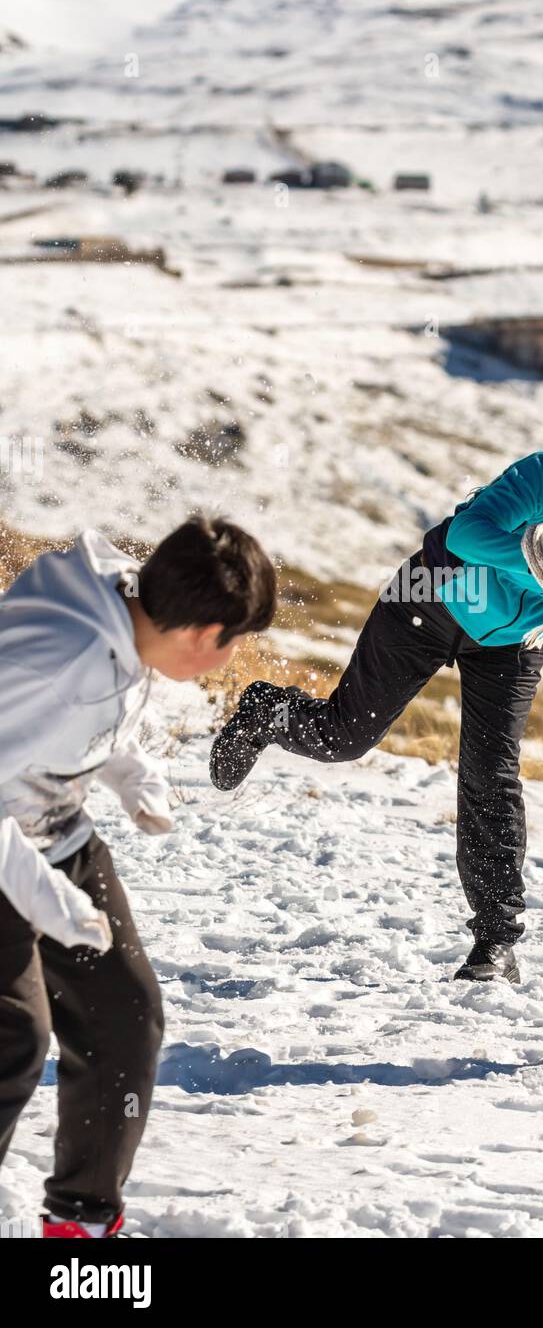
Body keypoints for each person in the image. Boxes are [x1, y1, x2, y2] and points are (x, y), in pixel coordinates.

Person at [209, 445, 543, 984]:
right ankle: (268, 712)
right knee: (344, 737)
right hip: (432, 594)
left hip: (512, 641)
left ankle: (495, 943)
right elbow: (464, 534)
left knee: (490, 773)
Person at [0, 517, 276, 1237]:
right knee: (12, 1041)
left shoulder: (132, 608)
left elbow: (73, 719)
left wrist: (128, 769)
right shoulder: (60, 660)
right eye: (234, 638)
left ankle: (80, 1224)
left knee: (125, 1013)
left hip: (51, 828)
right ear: (199, 634)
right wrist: (47, 900)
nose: (233, 654)